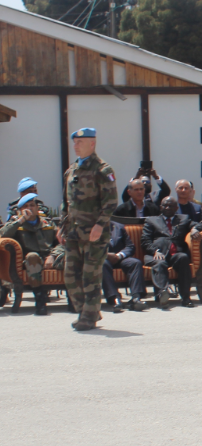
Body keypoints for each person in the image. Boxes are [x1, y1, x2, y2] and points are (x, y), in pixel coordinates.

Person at [61, 127, 118, 331]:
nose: (75, 145)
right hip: (74, 231)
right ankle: (89, 310)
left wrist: (100, 225)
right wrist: (62, 226)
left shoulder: (102, 170)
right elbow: (67, 202)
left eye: (80, 142)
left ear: (92, 143)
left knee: (90, 276)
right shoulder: (72, 169)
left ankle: (87, 317)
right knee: (69, 275)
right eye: (74, 142)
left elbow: (111, 202)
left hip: (95, 232)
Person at [1, 193, 65, 315]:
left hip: (50, 257)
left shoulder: (47, 223)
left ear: (37, 208)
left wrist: (52, 256)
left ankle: (76, 301)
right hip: (31, 261)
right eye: (25, 206)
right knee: (32, 257)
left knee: (71, 257)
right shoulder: (17, 224)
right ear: (20, 210)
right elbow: (3, 235)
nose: (29, 208)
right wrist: (20, 220)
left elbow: (61, 242)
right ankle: (40, 301)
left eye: (32, 205)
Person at [142, 197, 202, 308]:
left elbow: (201, 224)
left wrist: (195, 229)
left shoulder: (184, 219)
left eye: (170, 206)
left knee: (184, 257)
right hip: (158, 254)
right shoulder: (151, 220)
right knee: (160, 263)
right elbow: (145, 241)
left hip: (176, 254)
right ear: (160, 207)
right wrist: (155, 251)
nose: (167, 208)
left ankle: (186, 297)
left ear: (176, 208)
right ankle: (163, 294)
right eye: (165, 205)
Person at [101, 220, 147, 313]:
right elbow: (90, 248)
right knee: (103, 265)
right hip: (102, 258)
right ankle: (115, 299)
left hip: (119, 257)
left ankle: (136, 298)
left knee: (135, 263)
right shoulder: (91, 228)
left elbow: (130, 246)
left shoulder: (119, 226)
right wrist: (106, 255)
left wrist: (119, 255)